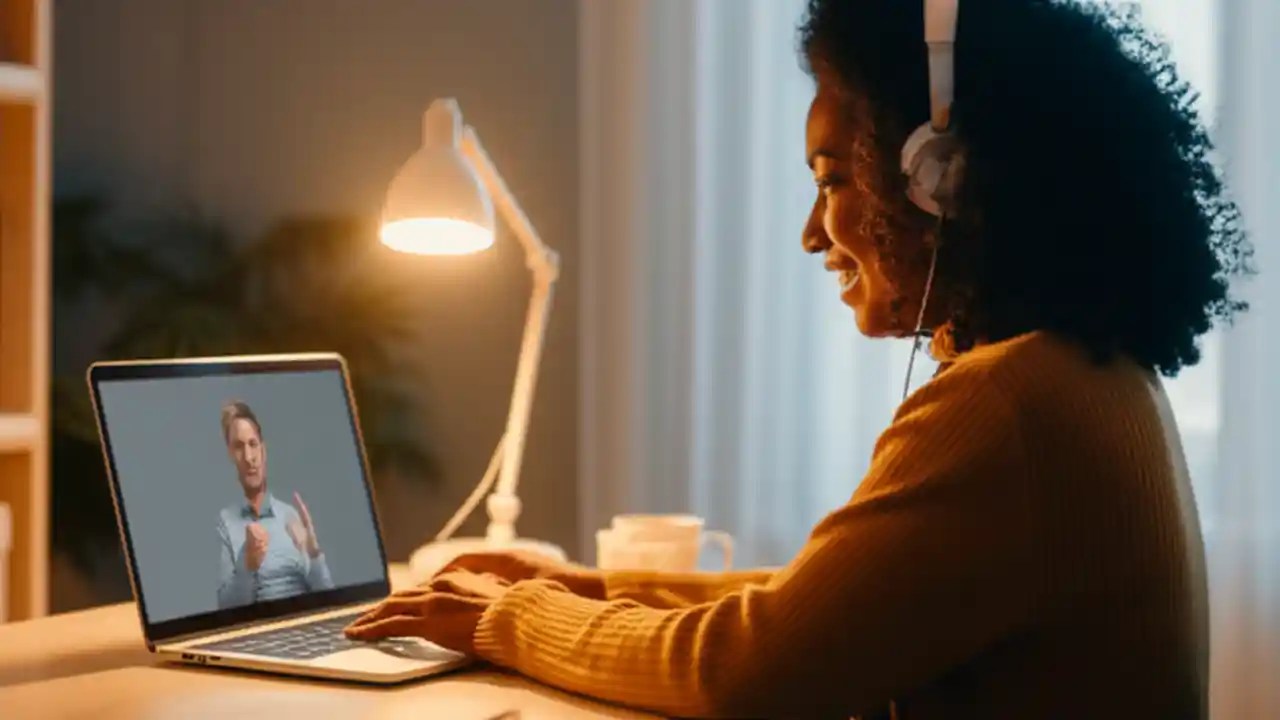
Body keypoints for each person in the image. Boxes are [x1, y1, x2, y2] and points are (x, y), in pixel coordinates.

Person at [346, 1, 1253, 717]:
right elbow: (825, 608)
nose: (814, 233)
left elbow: (750, 671)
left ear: (943, 177)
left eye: (832, 181)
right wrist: (586, 586)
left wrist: (510, 619)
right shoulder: (1081, 377)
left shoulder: (1009, 404)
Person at [216, 400, 333, 609]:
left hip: (304, 623)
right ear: (230, 454)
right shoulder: (225, 522)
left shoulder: (290, 515)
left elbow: (329, 601)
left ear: (263, 450)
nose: (249, 457)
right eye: (239, 447)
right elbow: (226, 609)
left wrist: (313, 552)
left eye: (253, 444)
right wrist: (248, 565)